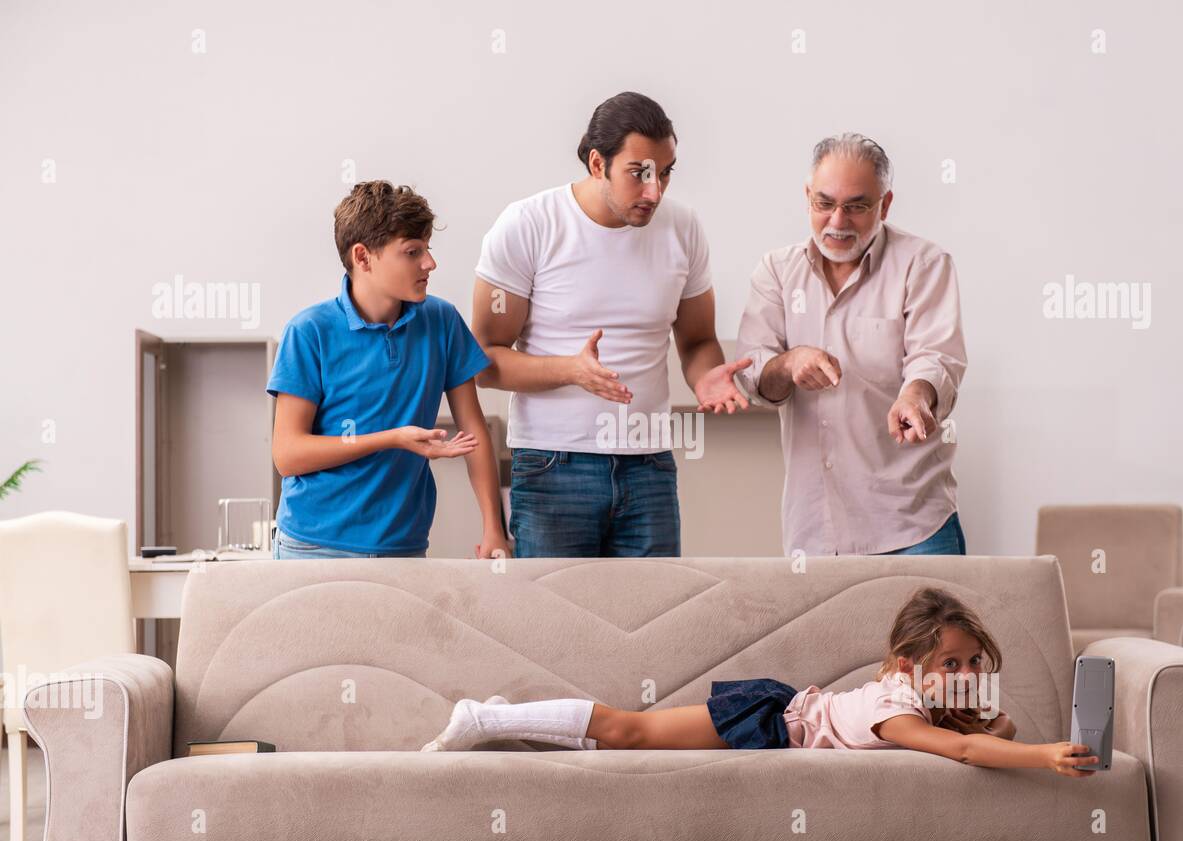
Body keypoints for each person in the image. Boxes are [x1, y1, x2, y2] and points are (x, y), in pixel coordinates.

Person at [420, 586, 1100, 778]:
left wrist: (1004, 729)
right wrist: (1041, 753)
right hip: (774, 717)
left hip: (788, 717)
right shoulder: (899, 709)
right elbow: (967, 752)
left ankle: (506, 719)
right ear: (906, 665)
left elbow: (983, 735)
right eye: (950, 664)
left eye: (973, 662)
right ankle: (486, 717)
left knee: (628, 742)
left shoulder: (935, 704)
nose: (967, 675)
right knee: (629, 729)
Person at [472, 91, 751, 558]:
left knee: (654, 621)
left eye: (665, 173)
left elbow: (699, 340)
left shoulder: (683, 229)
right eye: (639, 173)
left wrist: (707, 377)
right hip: (552, 464)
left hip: (649, 465)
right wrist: (572, 371)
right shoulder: (528, 225)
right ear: (598, 163)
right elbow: (484, 362)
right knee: (552, 624)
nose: (654, 191)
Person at [732, 134, 969, 556]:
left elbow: (936, 359)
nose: (838, 221)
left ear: (886, 203)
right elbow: (755, 376)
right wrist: (789, 364)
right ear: (808, 197)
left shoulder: (924, 264)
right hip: (815, 531)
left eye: (857, 206)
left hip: (913, 525)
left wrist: (915, 396)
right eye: (824, 204)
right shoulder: (776, 271)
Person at [267, 181, 509, 560]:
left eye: (427, 249)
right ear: (363, 258)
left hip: (403, 547)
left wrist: (494, 530)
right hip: (314, 547)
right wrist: (389, 438)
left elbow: (473, 430)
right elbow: (288, 454)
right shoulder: (309, 331)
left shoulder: (442, 321)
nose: (430, 263)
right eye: (413, 252)